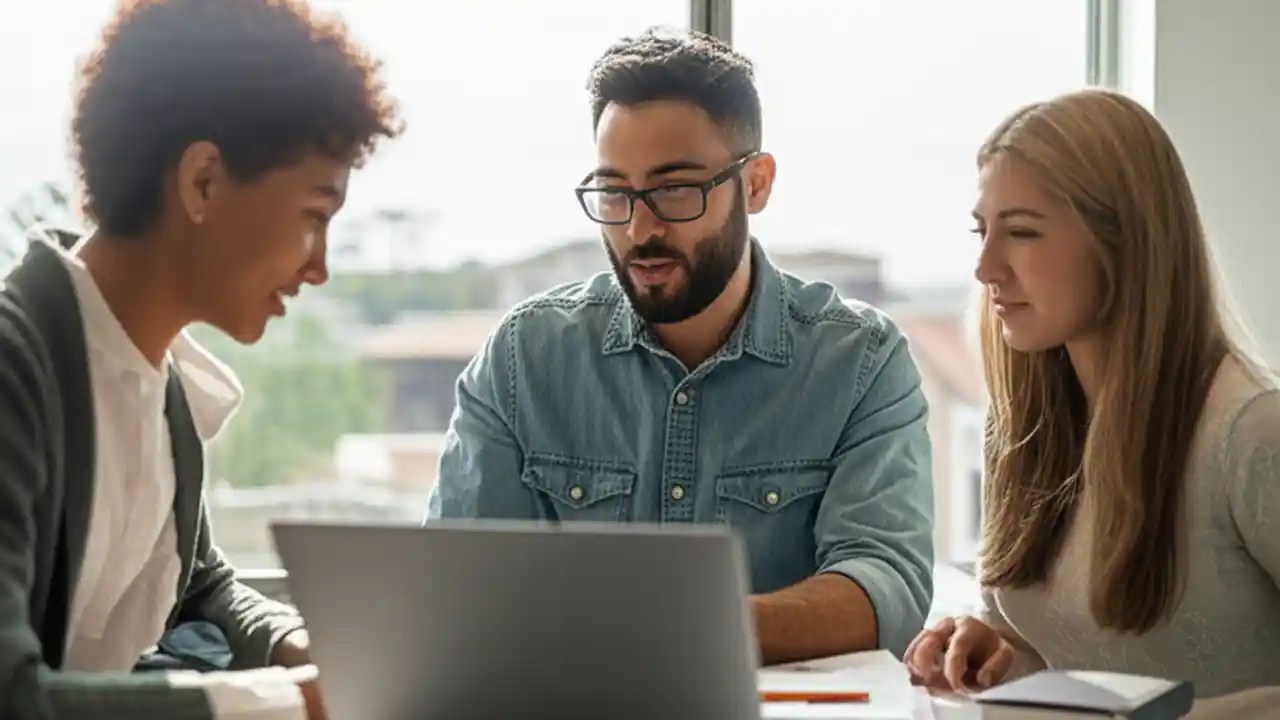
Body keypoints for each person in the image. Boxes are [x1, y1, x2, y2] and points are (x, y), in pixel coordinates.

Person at [428, 27, 934, 664]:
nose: (641, 229)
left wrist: (672, 629)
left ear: (755, 184)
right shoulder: (522, 358)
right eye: (615, 192)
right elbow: (454, 585)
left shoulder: (860, 361)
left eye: (675, 190)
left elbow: (887, 588)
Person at [0, 0, 400, 717]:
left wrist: (298, 646)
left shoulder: (158, 384)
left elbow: (198, 585)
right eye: (315, 216)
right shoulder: (14, 370)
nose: (321, 269)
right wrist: (286, 704)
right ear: (203, 182)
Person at [905, 89, 1280, 703]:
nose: (986, 267)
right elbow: (1090, 659)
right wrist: (1003, 650)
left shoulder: (1252, 439)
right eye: (982, 230)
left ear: (1125, 242)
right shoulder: (1028, 433)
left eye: (1022, 232)